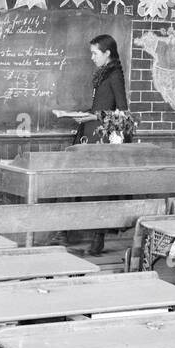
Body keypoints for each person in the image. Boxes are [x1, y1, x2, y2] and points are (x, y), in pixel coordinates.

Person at [56, 34, 129, 254]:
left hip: (103, 139)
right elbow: (100, 107)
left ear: (107, 53)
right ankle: (65, 232)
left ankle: (98, 238)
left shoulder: (115, 75)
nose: (91, 57)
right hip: (89, 136)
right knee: (77, 182)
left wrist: (92, 117)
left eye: (95, 53)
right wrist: (78, 114)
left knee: (99, 188)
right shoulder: (102, 74)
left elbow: (123, 113)